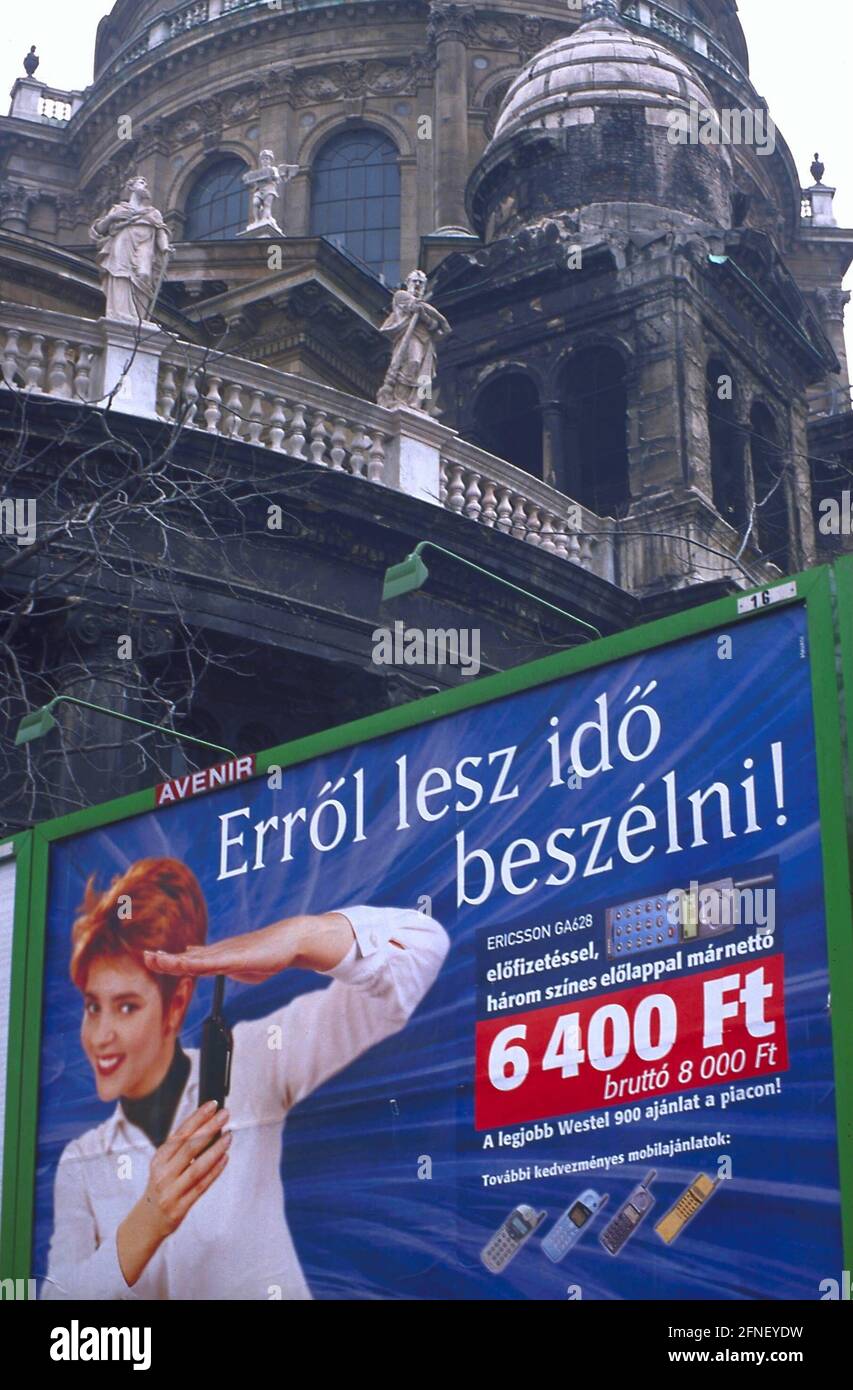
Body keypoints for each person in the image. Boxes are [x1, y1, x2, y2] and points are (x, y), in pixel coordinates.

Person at [42, 857, 449, 1300]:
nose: (101, 1035)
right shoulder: (82, 1163)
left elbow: (421, 951)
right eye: (92, 1007)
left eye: (126, 1007)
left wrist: (301, 937)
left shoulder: (254, 1062)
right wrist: (148, 1221)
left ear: (176, 1006)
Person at [89, 175, 171, 323]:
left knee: (144, 274)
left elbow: (161, 231)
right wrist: (112, 218)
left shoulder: (153, 213)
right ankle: (121, 313)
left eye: (146, 183)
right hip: (123, 241)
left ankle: (139, 317)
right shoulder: (119, 209)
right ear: (131, 187)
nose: (145, 186)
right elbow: (100, 230)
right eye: (141, 182)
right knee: (120, 273)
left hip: (145, 243)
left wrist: (165, 248)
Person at [377, 270, 451, 411]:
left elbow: (431, 323)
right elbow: (418, 308)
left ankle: (418, 403)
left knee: (426, 376)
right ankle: (400, 398)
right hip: (412, 337)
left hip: (427, 342)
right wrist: (441, 320)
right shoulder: (401, 296)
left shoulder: (424, 306)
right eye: (415, 281)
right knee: (413, 362)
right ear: (407, 283)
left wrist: (430, 320)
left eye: (421, 283)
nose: (417, 284)